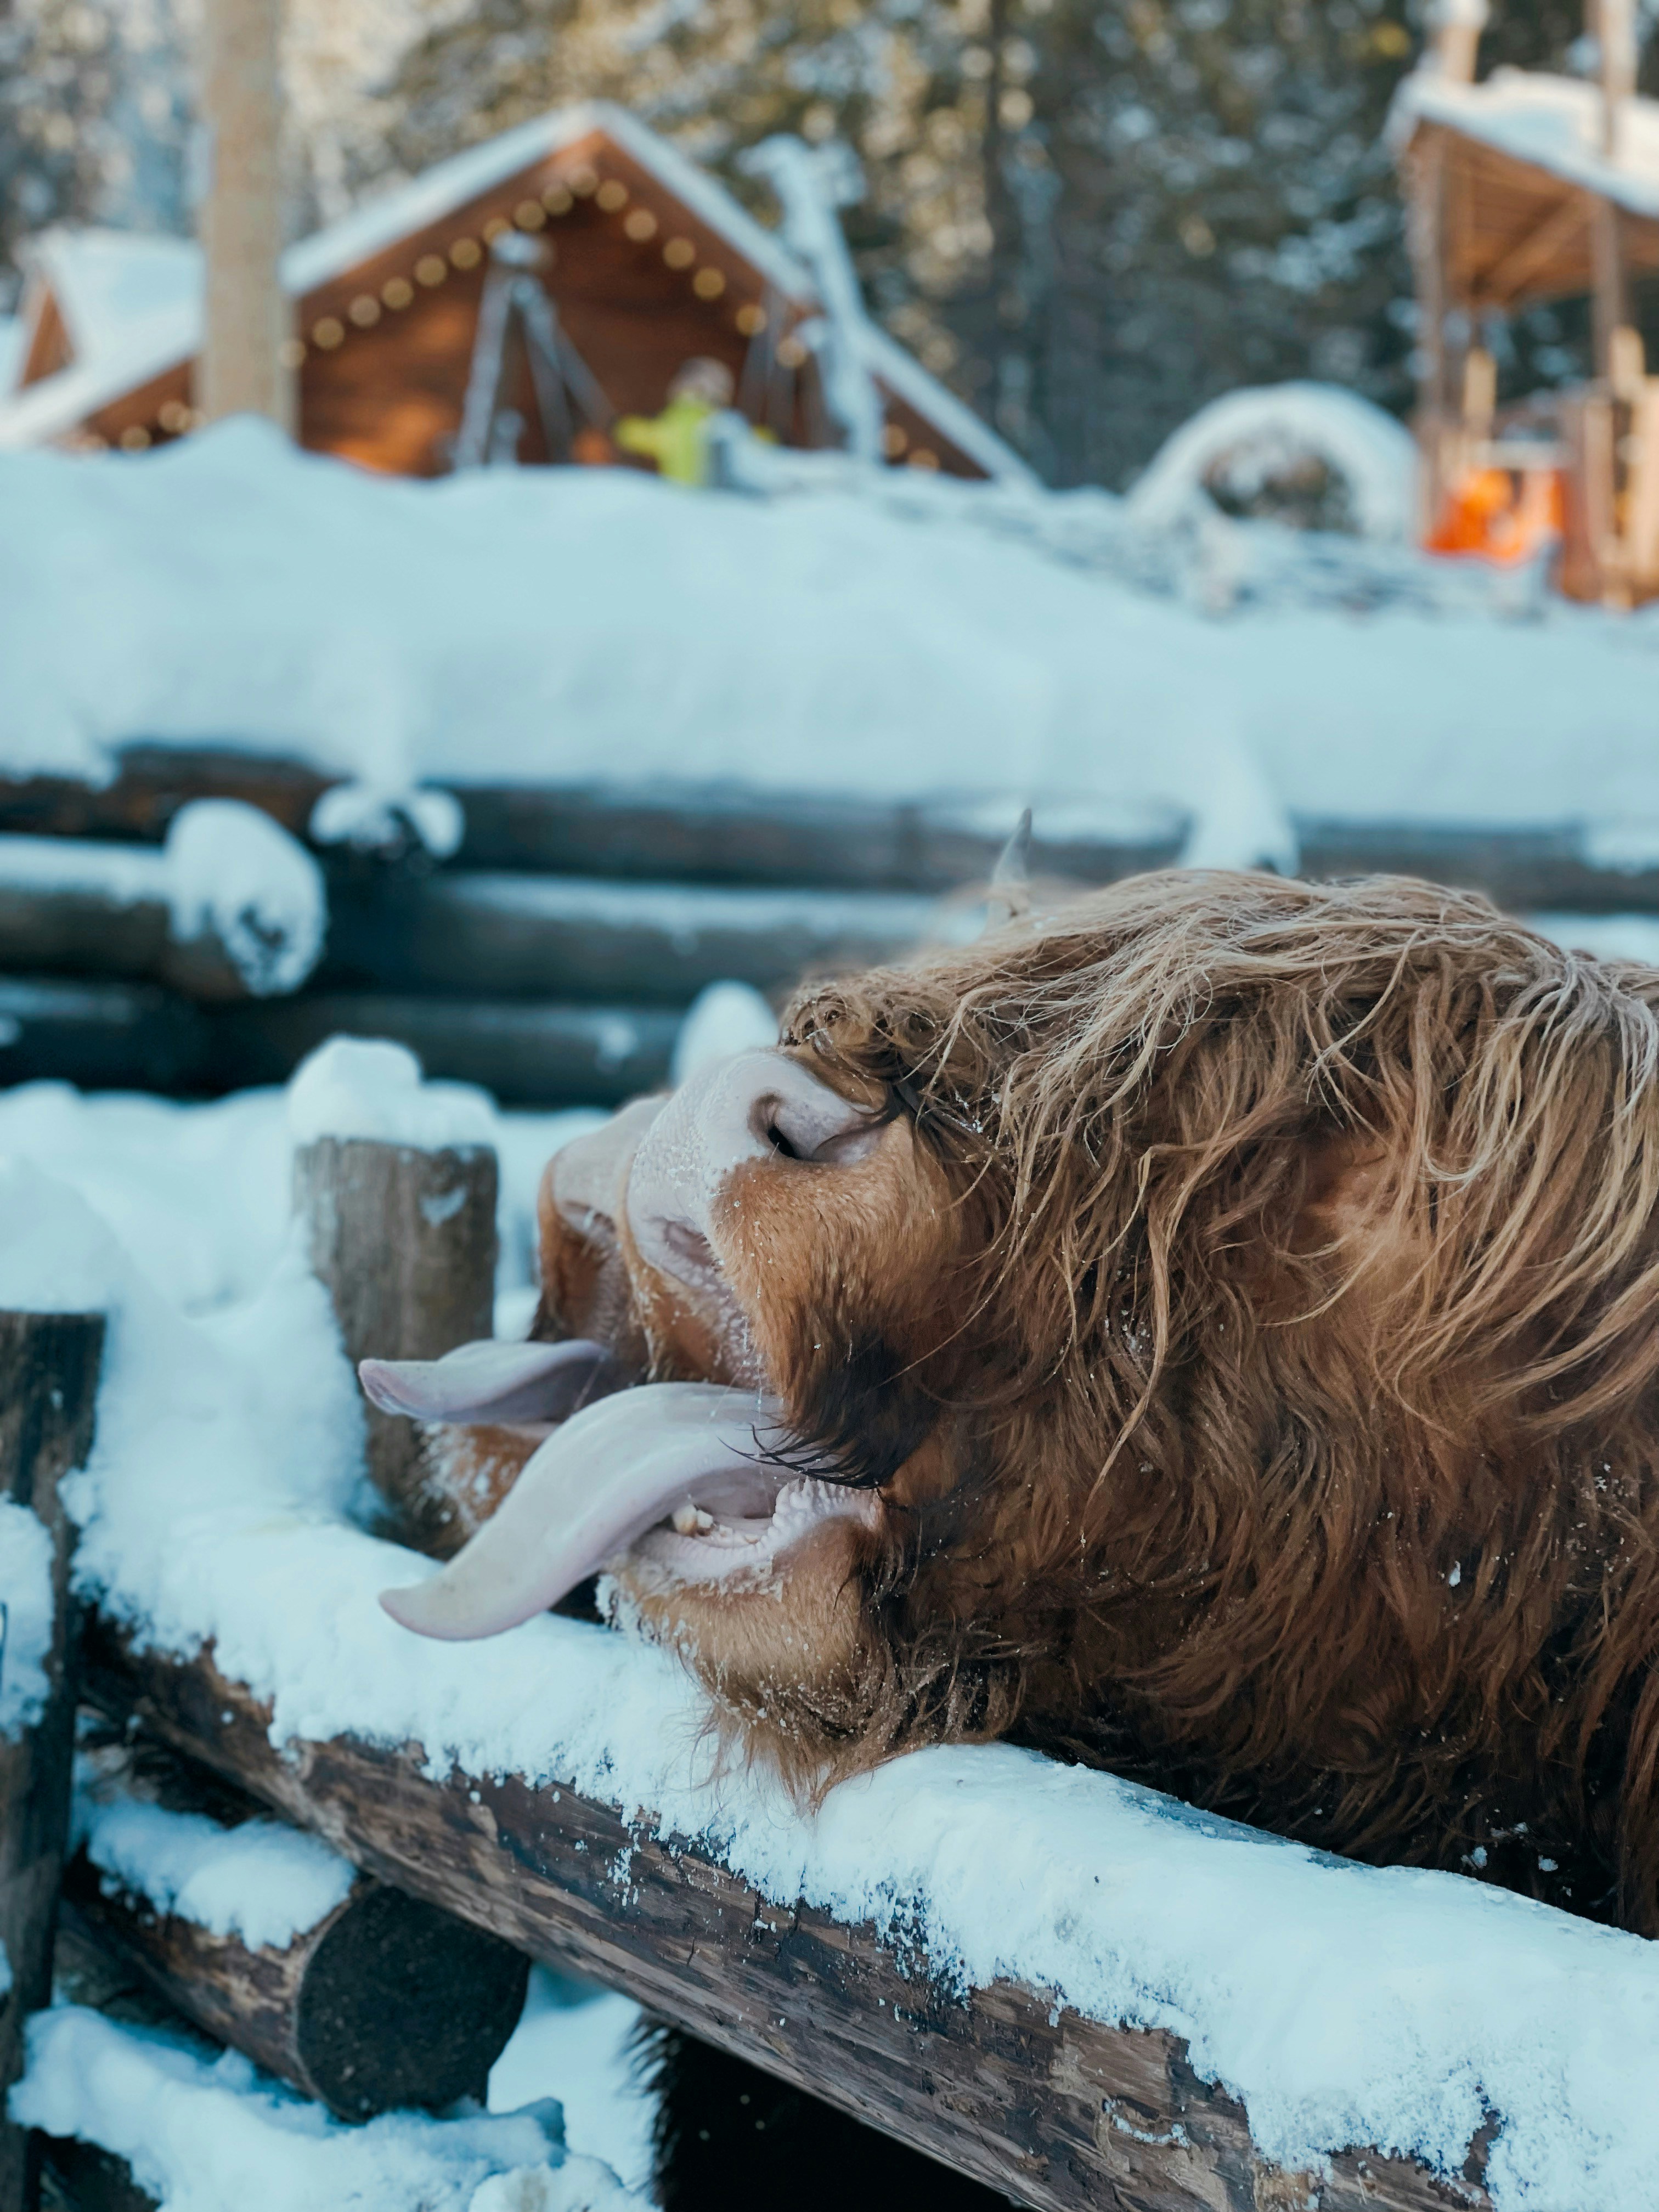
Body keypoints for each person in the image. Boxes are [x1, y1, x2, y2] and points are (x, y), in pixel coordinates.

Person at [615, 358, 736, 487]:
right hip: (714, 501)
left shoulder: (682, 420)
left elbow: (650, 436)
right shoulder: (723, 426)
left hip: (680, 497)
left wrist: (620, 427)